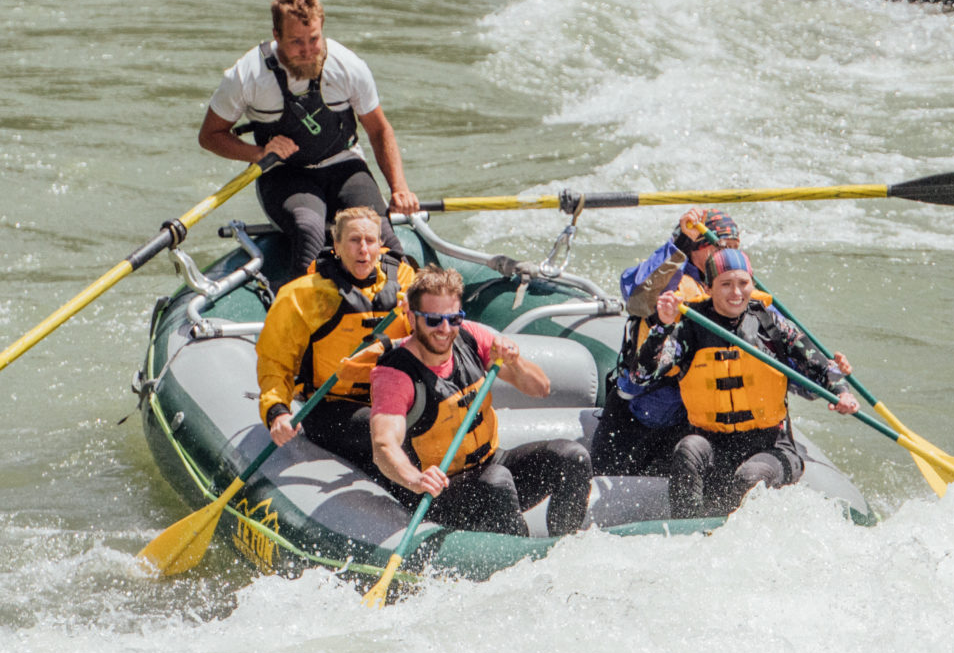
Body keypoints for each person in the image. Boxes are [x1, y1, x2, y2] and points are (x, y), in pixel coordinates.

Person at [628, 248, 859, 519]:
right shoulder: (690, 326)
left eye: (743, 283)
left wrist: (842, 392)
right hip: (713, 445)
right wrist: (663, 327)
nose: (736, 292)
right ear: (709, 287)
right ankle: (686, 529)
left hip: (772, 446)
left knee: (751, 476)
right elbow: (641, 374)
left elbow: (820, 366)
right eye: (725, 284)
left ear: (752, 284)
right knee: (688, 449)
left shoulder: (771, 325)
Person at [199, 0, 420, 271]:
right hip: (285, 173)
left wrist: (399, 189)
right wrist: (259, 152)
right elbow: (210, 136)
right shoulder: (246, 76)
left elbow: (379, 130)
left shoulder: (348, 66)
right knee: (310, 227)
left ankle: (401, 305)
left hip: (343, 165)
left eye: (314, 39)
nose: (307, 50)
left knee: (376, 229)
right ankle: (305, 305)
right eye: (296, 42)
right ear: (276, 36)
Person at [367, 266, 593, 538]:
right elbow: (383, 446)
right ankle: (521, 561)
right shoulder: (396, 374)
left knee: (572, 457)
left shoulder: (470, 337)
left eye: (453, 318)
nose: (445, 329)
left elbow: (540, 388)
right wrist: (416, 480)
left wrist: (516, 363)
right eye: (433, 320)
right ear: (412, 319)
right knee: (496, 483)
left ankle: (564, 543)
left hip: (491, 466)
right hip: (437, 492)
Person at [254, 206, 415, 468]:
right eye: (354, 240)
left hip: (396, 396)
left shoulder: (406, 283)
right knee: (386, 430)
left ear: (380, 245)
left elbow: (437, 338)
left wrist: (419, 314)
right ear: (336, 246)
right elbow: (275, 362)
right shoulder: (303, 295)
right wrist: (277, 412)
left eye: (370, 241)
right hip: (331, 405)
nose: (363, 249)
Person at [590, 207, 743, 476]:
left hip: (692, 417)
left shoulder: (735, 288)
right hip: (640, 411)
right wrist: (682, 242)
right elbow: (638, 295)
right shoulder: (671, 276)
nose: (729, 255)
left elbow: (772, 330)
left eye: (734, 247)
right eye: (722, 247)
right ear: (697, 248)